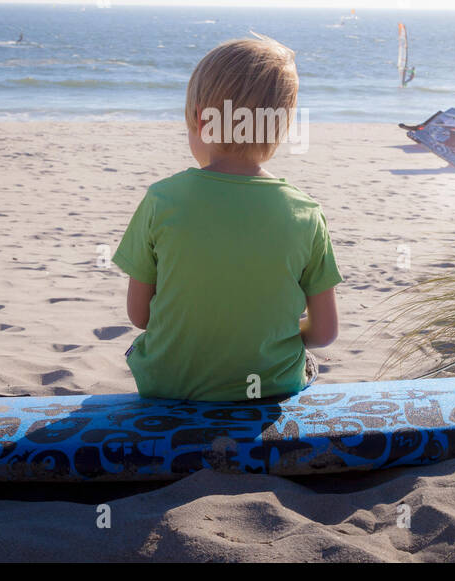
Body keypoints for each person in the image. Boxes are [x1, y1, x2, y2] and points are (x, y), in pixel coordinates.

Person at [112, 36, 341, 401]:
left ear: (202, 120)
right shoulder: (305, 212)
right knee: (307, 362)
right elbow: (325, 332)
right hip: (268, 390)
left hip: (170, 389)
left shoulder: (162, 199)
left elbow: (140, 317)